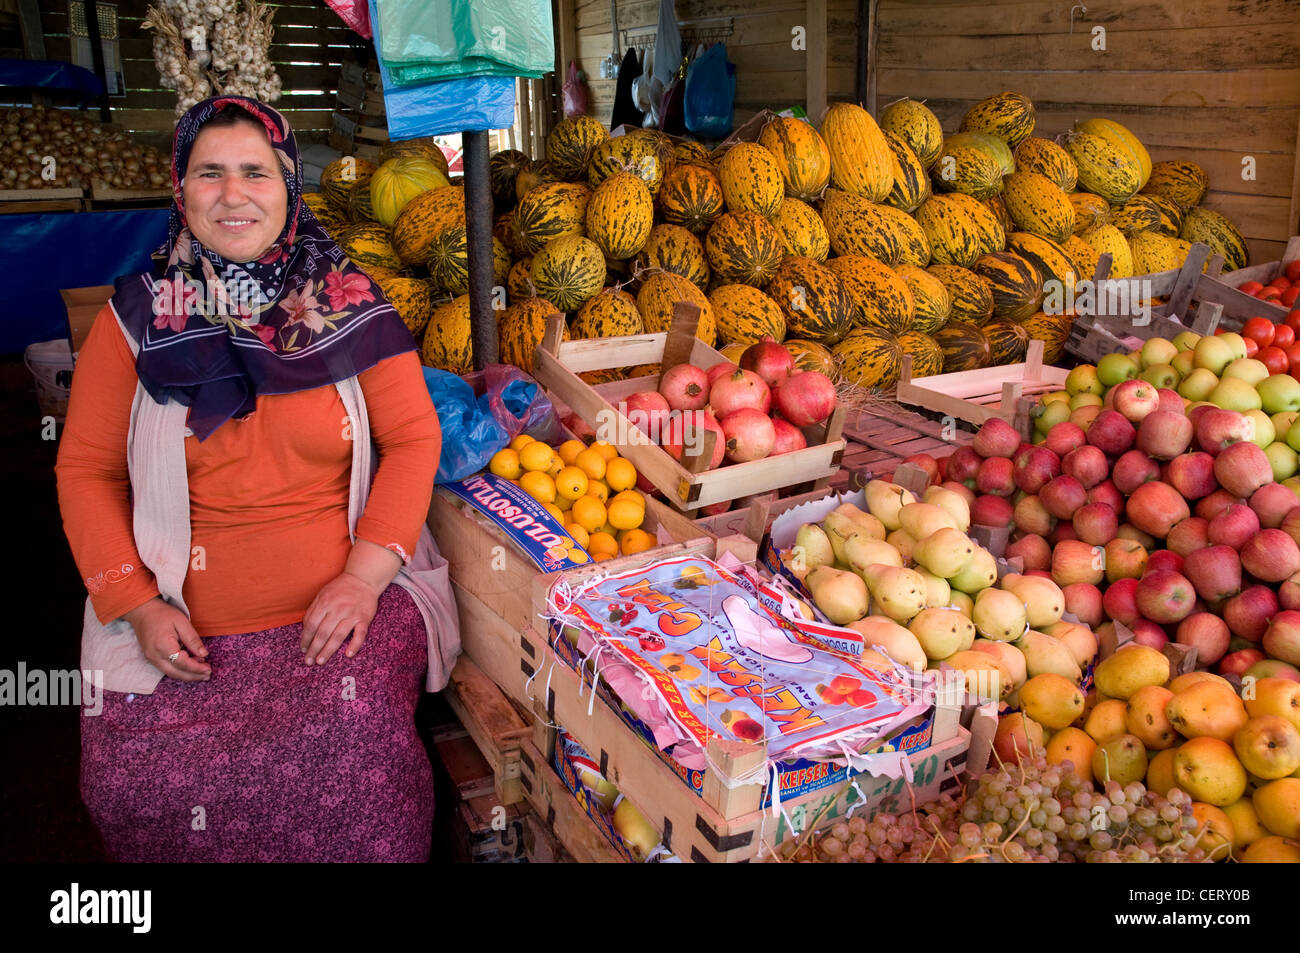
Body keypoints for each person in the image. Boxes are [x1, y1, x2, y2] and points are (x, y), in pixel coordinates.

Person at [55, 95, 460, 863]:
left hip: (338, 616)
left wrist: (364, 579)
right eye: (209, 173)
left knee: (357, 764)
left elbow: (412, 439)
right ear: (181, 190)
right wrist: (136, 604)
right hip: (181, 629)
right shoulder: (135, 322)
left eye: (255, 172)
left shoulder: (349, 303)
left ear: (288, 188)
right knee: (132, 784)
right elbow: (86, 469)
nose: (233, 194)